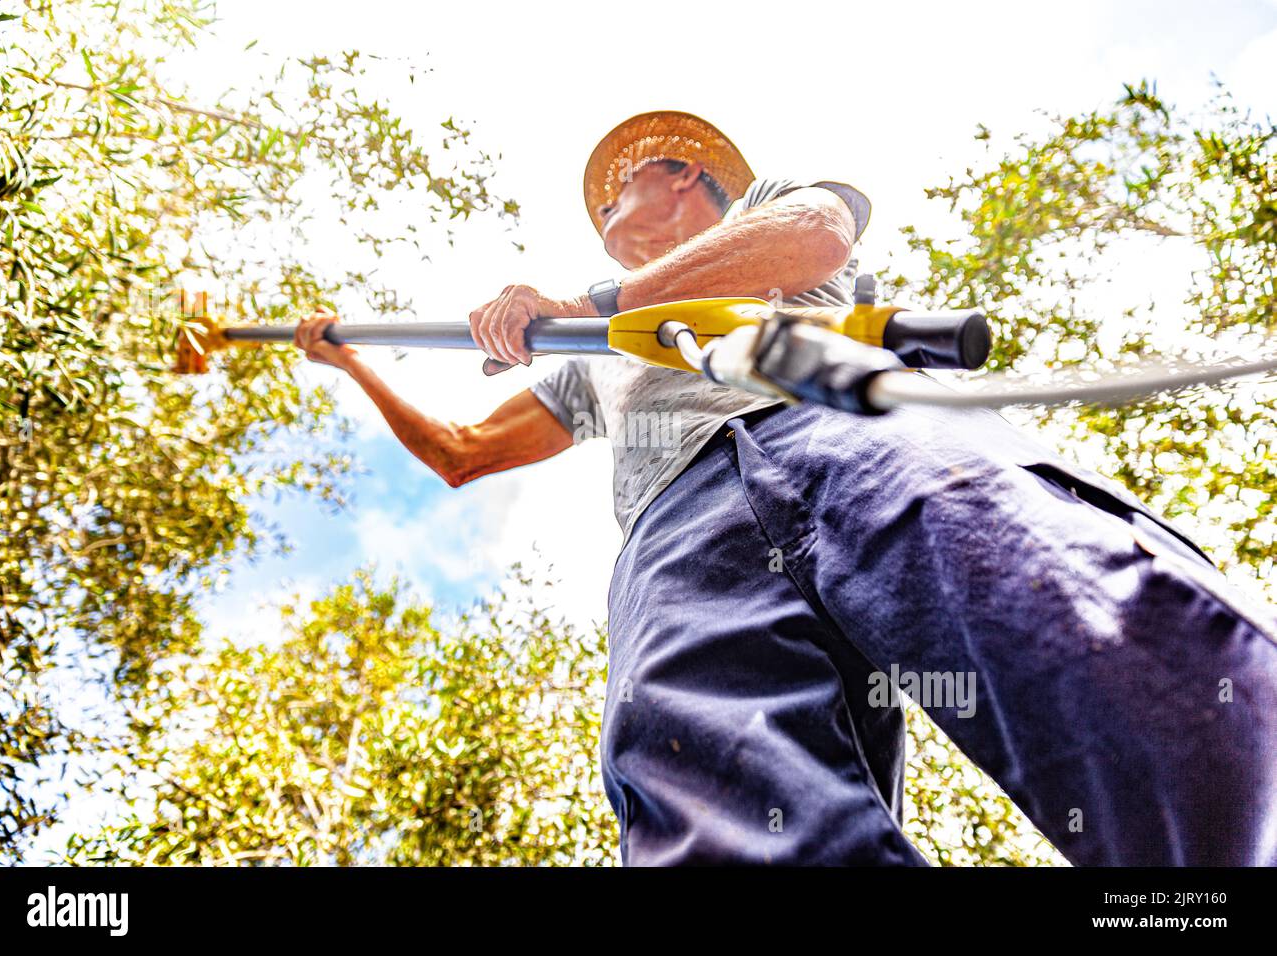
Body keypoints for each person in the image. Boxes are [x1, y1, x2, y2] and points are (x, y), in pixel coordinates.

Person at [294, 110, 1277, 866]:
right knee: (711, 779)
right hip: (679, 532)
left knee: (1078, 619)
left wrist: (586, 303)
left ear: (683, 173)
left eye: (615, 196)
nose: (601, 221)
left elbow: (812, 237)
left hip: (855, 429)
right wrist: (357, 368)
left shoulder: (765, 202)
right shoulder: (582, 354)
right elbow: (464, 449)